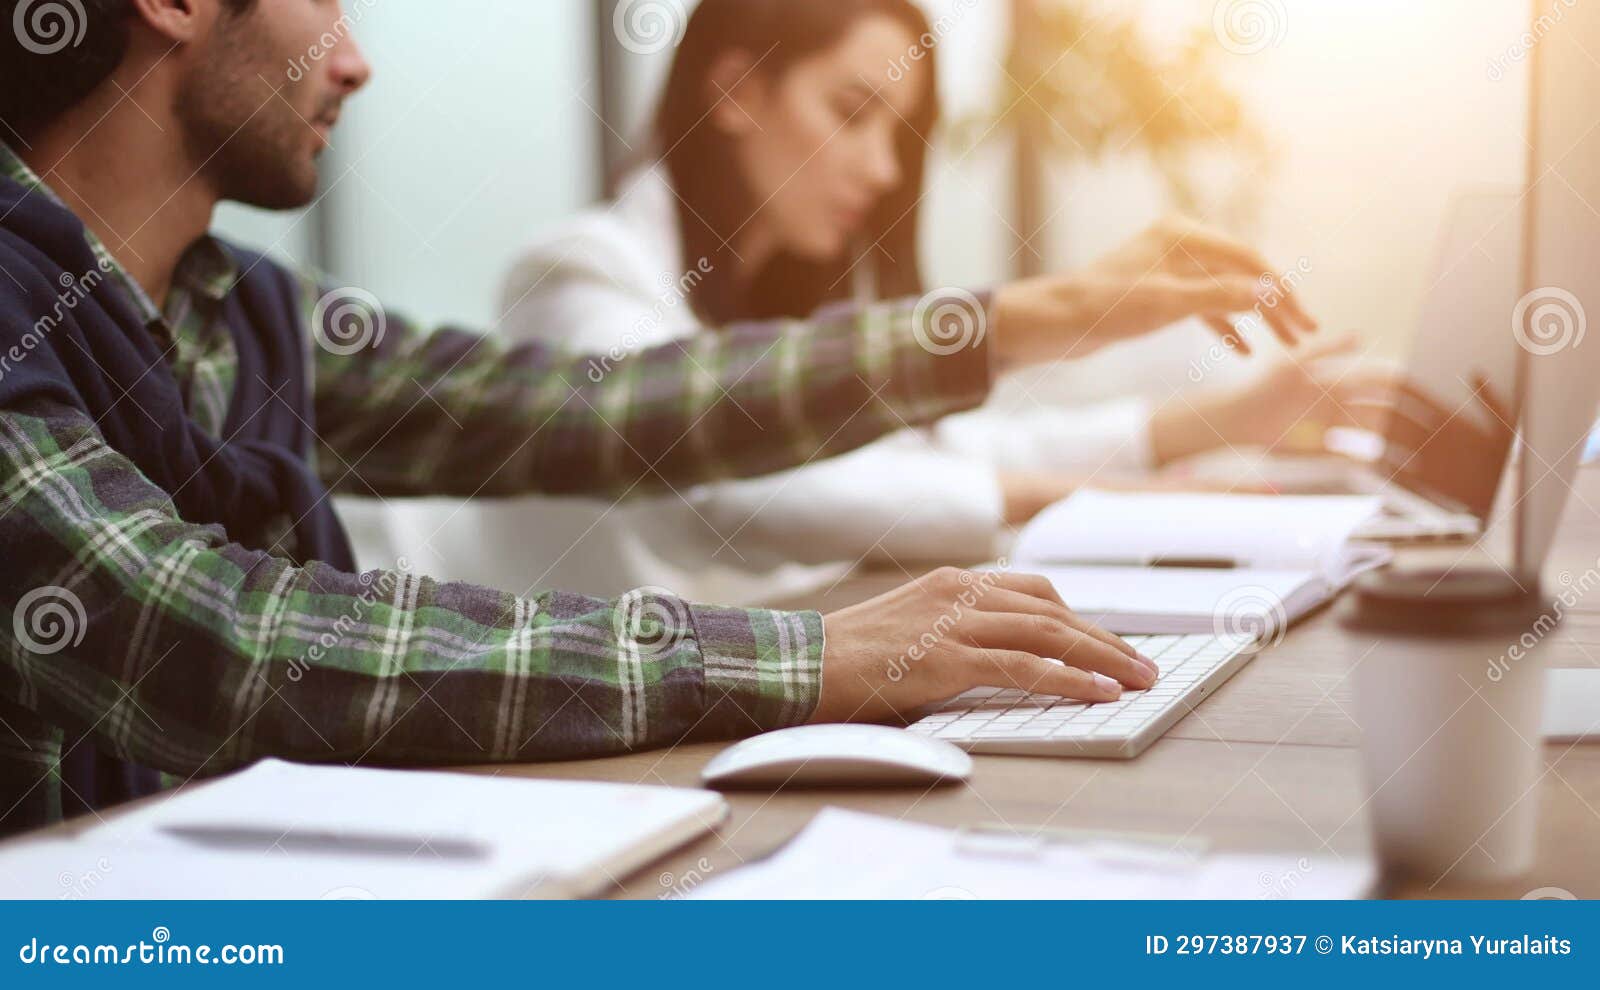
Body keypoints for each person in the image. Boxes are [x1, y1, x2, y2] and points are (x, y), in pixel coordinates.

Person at [0, 0, 1310, 836]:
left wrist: (1018, 320)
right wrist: (803, 661)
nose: (355, 58)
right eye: (320, 2)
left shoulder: (247, 308)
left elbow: (596, 411)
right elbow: (208, 632)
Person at [403, 0, 1371, 605]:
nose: (877, 169)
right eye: (851, 112)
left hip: (759, 708)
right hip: (604, 768)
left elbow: (947, 458)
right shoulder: (574, 275)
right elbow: (737, 485)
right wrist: (1123, 499)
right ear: (734, 92)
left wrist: (1219, 423)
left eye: (895, 134)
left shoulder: (768, 298)